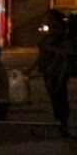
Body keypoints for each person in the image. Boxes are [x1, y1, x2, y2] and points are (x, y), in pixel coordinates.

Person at [28, 9, 72, 137]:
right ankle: (59, 122)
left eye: (47, 18)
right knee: (54, 98)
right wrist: (29, 70)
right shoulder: (48, 35)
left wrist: (51, 49)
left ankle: (63, 124)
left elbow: (67, 52)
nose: (45, 20)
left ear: (54, 20)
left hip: (58, 72)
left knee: (59, 97)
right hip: (47, 71)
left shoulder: (62, 35)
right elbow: (41, 56)